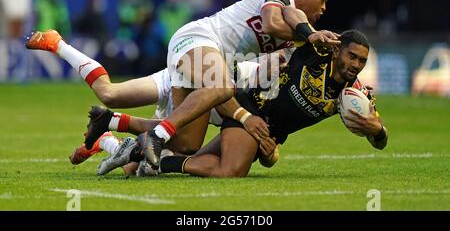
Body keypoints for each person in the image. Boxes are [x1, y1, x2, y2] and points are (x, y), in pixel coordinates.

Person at [100, 12, 388, 178]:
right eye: (352, 56)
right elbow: (287, 16)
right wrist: (307, 29)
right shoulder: (316, 51)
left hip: (270, 134)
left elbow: (379, 139)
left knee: (193, 152)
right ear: (337, 49)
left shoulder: (352, 94)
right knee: (230, 170)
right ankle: (162, 162)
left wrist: (378, 132)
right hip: (251, 109)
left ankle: (130, 147)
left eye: (361, 61)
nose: (355, 65)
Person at [136, 0, 341, 170]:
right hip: (198, 38)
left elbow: (286, 77)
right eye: (322, 0)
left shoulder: (294, 38)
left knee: (186, 143)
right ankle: (156, 136)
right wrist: (310, 35)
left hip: (215, 60)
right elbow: (270, 24)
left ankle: (113, 128)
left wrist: (271, 148)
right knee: (224, 87)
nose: (323, 8)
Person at [24, 30, 281, 168]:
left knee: (136, 167)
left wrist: (269, 155)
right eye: (279, 59)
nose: (279, 64)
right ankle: (57, 44)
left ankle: (106, 138)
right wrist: (244, 117)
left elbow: (270, 151)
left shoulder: (274, 97)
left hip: (184, 111)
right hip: (179, 81)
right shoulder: (251, 73)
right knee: (109, 93)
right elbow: (219, 93)